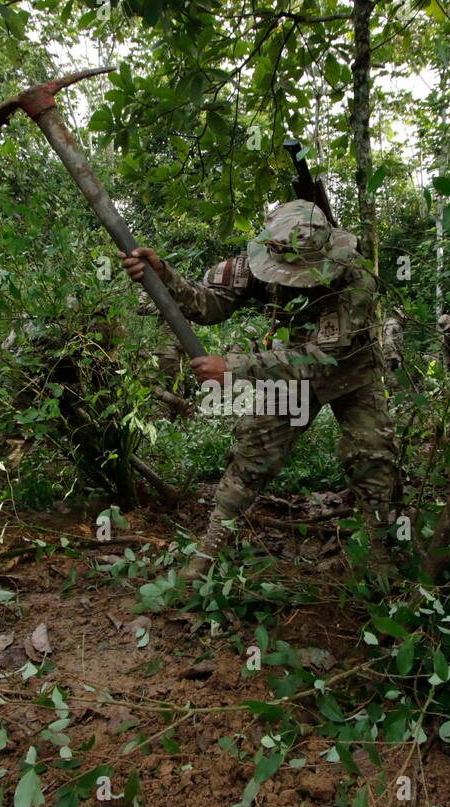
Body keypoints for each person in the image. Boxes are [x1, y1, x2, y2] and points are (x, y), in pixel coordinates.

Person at [119, 200, 400, 580]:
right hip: (287, 376)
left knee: (372, 455)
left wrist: (233, 367)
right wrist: (163, 275)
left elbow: (321, 356)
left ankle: (381, 553)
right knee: (252, 453)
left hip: (351, 373)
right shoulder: (252, 264)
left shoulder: (356, 278)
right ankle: (209, 550)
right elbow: (207, 304)